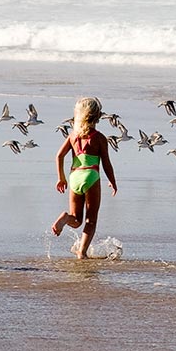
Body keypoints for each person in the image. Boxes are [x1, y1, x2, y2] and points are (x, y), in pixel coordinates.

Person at [51, 96, 117, 258]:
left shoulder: (73, 136)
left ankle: (66, 218)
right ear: (98, 116)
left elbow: (59, 156)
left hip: (75, 176)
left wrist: (62, 178)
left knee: (76, 219)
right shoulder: (99, 138)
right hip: (91, 175)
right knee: (91, 219)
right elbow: (106, 163)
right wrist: (112, 182)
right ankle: (82, 252)